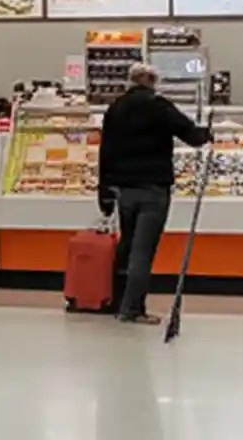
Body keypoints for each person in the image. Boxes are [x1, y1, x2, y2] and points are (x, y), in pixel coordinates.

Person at [97, 63, 212, 325]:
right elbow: (192, 135)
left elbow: (106, 151)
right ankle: (133, 310)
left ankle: (118, 302)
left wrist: (104, 192)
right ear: (151, 81)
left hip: (124, 190)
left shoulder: (116, 108)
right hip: (153, 189)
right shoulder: (160, 107)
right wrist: (208, 132)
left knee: (127, 247)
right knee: (143, 251)